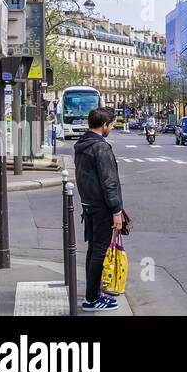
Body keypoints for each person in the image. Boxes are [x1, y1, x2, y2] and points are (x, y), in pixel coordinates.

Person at [74, 107, 124, 312]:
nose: (110, 128)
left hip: (89, 204)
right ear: (104, 126)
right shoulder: (101, 148)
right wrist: (116, 210)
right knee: (100, 251)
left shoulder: (82, 144)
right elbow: (109, 182)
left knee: (94, 249)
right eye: (110, 125)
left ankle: (92, 293)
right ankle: (92, 298)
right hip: (102, 206)